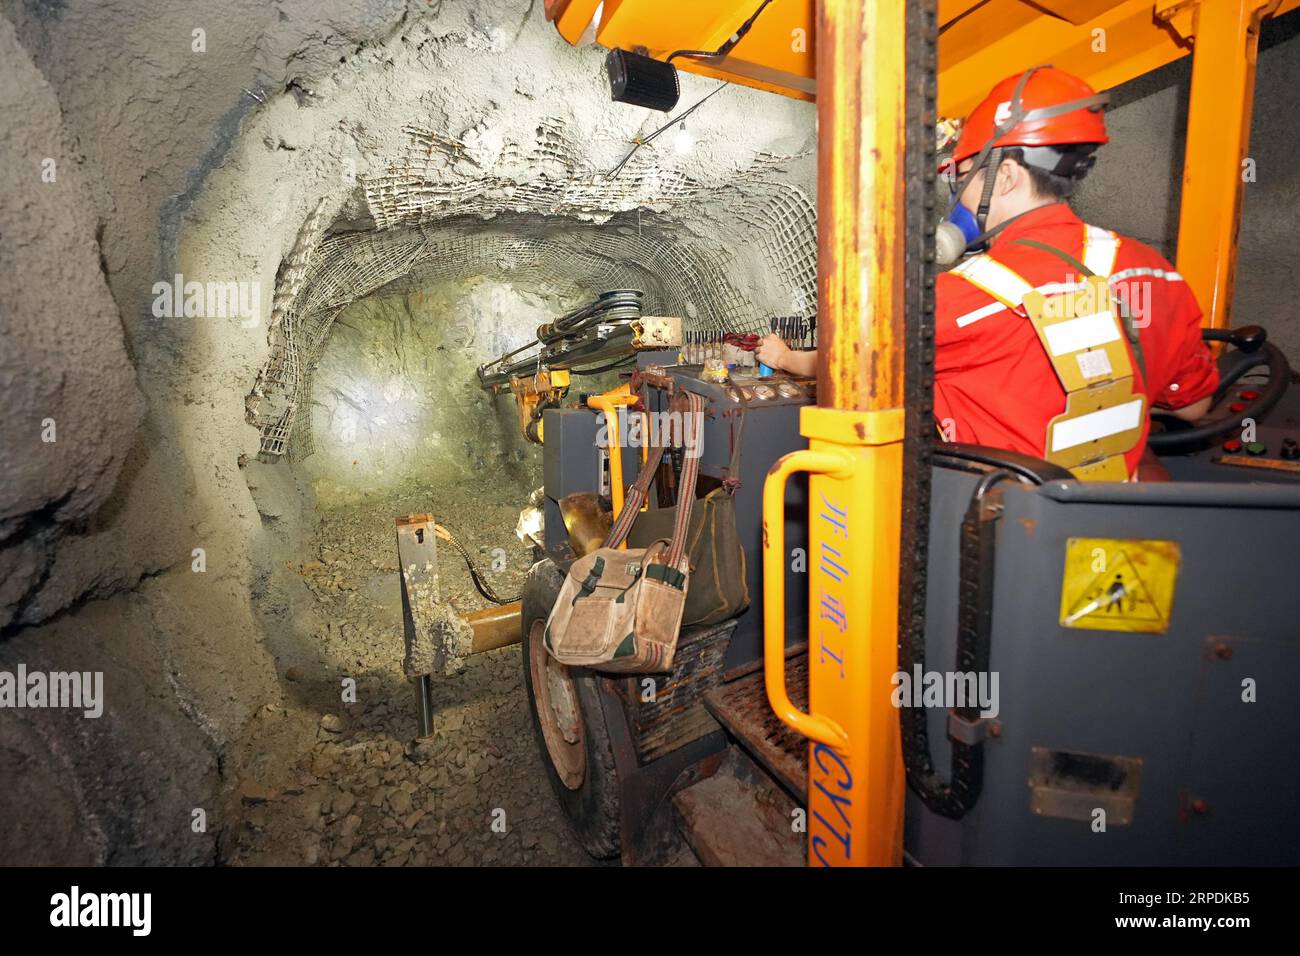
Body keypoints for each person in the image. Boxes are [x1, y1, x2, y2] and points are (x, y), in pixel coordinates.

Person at [756, 66, 1219, 480]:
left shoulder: (963, 296)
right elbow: (1195, 406)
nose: (956, 197)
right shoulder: (1156, 276)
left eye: (963, 177)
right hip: (1113, 542)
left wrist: (785, 358)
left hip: (997, 545)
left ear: (1010, 176)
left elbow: (850, 365)